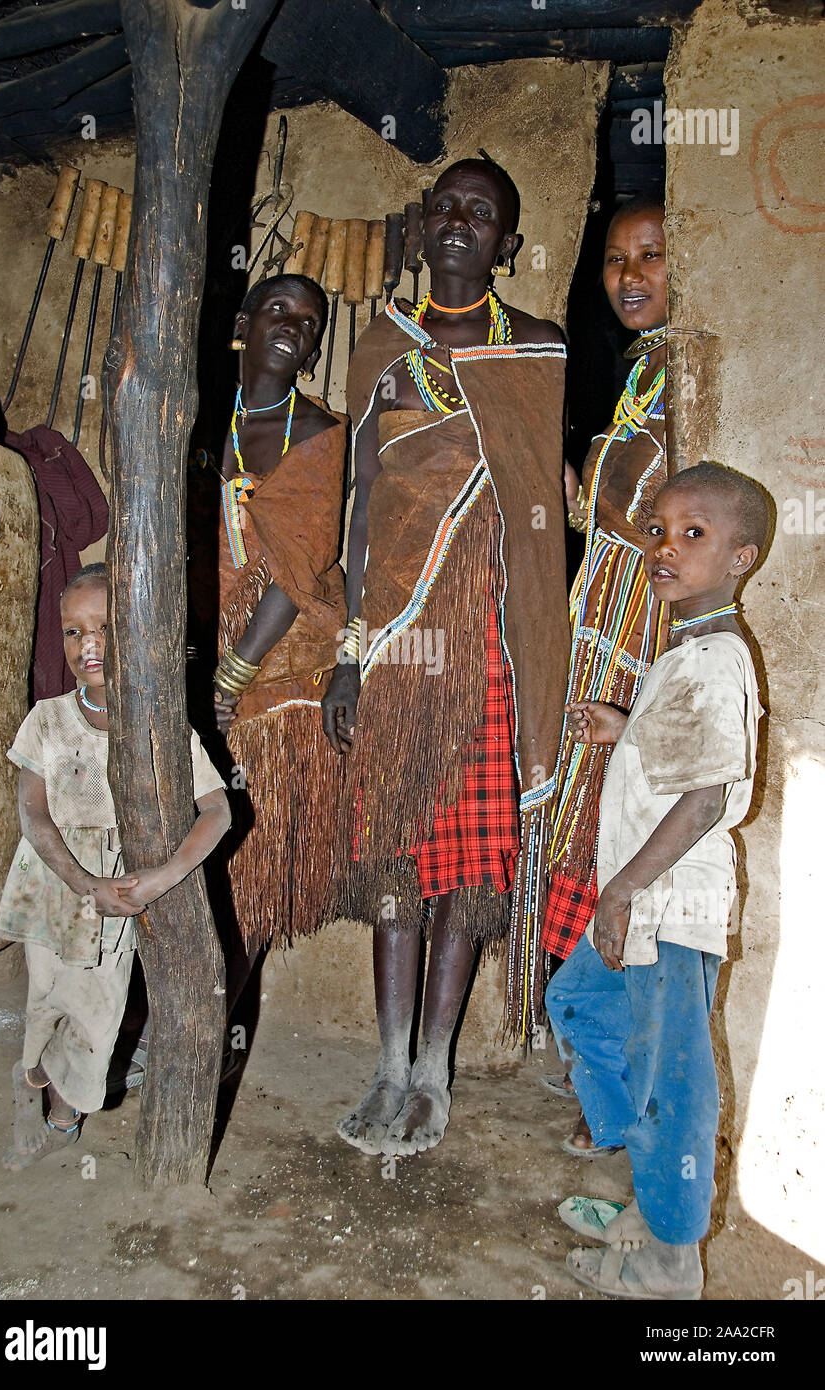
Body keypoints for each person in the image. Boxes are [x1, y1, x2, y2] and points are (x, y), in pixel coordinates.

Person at [322, 158, 569, 1156]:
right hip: (394, 645)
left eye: (485, 214)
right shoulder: (384, 351)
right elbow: (359, 508)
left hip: (488, 645)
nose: (462, 223)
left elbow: (542, 511)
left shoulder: (542, 348)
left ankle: (435, 1073)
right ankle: (385, 1065)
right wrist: (348, 655)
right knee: (396, 860)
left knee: (465, 870)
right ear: (422, 229)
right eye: (448, 208)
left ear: (507, 243)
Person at [545, 462, 768, 1299]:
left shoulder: (715, 658)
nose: (665, 548)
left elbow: (706, 799)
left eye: (693, 534)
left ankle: (672, 1260)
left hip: (668, 905)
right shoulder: (687, 652)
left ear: (741, 558)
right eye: (659, 531)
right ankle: (654, 1201)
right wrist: (625, 727)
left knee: (673, 1074)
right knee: (580, 1008)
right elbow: (683, 761)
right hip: (648, 902)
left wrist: (619, 891)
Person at [0, 563, 230, 1170]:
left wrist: (158, 878)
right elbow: (35, 819)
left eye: (103, 627)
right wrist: (83, 883)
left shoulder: (161, 728)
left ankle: (63, 1097)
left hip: (121, 892)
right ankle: (37, 1091)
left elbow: (217, 812)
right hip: (54, 883)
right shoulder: (47, 719)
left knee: (100, 1014)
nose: (87, 644)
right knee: (46, 999)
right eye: (72, 631)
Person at [539, 197, 671, 1133]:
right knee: (581, 834)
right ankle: (598, 1068)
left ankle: (622, 1090)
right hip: (600, 628)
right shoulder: (640, 378)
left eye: (652, 256)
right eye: (617, 261)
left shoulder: (694, 379)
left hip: (643, 642)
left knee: (622, 838)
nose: (631, 276)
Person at [212, 274, 346, 998]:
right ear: (243, 322)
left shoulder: (321, 436)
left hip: (274, 670)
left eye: (311, 320)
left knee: (249, 866)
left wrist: (232, 679)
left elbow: (297, 576)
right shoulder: (198, 420)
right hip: (200, 654)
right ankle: (166, 1019)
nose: (296, 324)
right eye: (279, 309)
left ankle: (217, 1028)